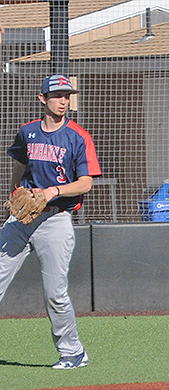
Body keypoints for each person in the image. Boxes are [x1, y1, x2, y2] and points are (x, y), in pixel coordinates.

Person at [2, 74, 100, 369]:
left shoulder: (77, 136)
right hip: (21, 219)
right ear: (42, 99)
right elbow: (20, 164)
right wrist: (12, 193)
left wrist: (52, 191)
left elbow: (85, 183)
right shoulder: (28, 132)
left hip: (55, 220)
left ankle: (73, 352)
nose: (64, 100)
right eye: (57, 95)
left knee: (54, 293)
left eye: (67, 95)